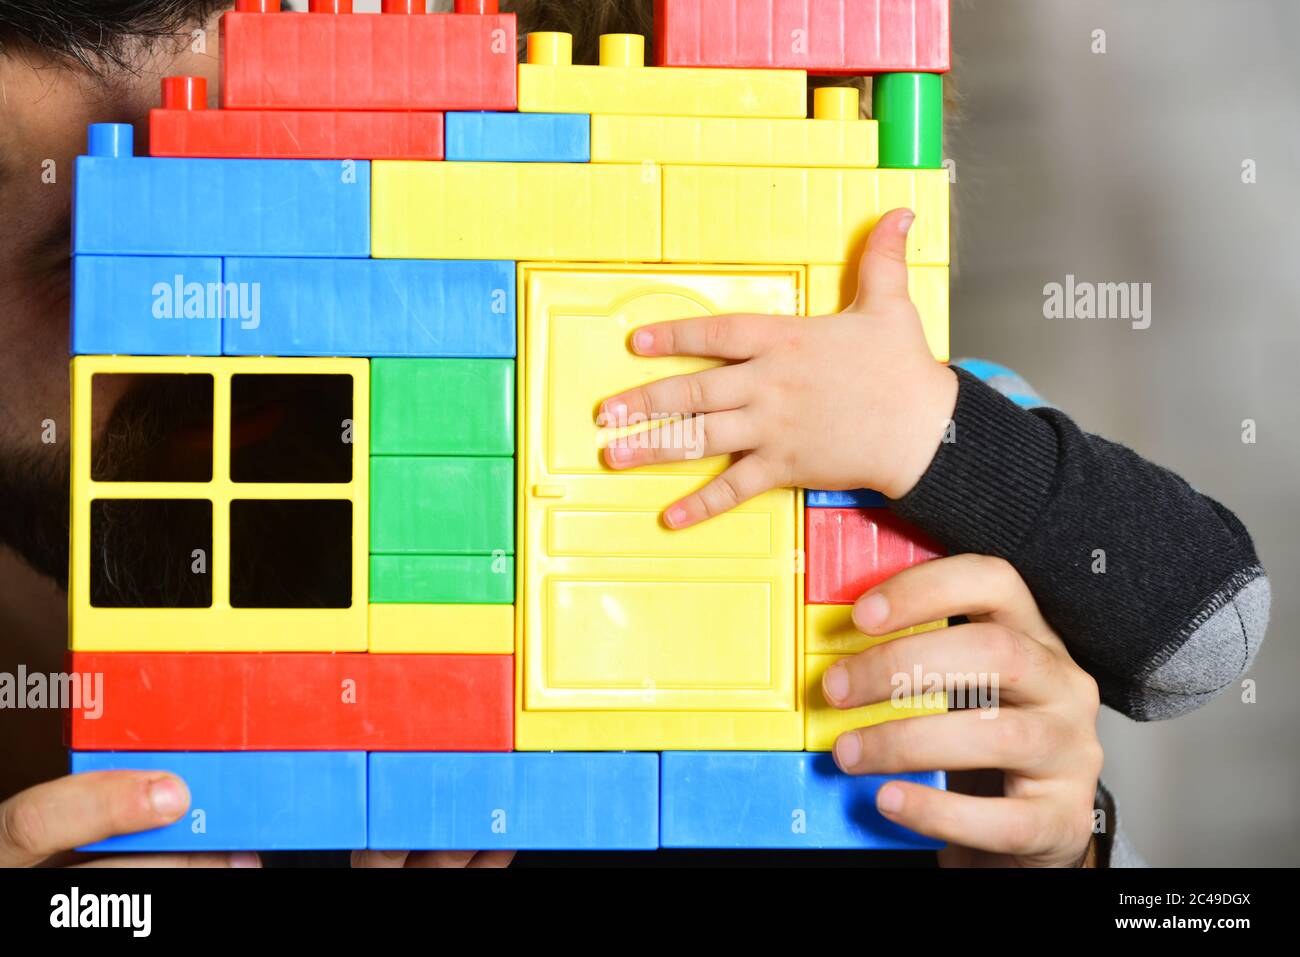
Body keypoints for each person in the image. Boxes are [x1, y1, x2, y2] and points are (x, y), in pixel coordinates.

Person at [0, 0, 1265, 868]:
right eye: (71, 232)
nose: (190, 285)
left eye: (268, 168)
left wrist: (1065, 842)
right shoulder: (122, 765)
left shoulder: (882, 422)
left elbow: (1205, 623)